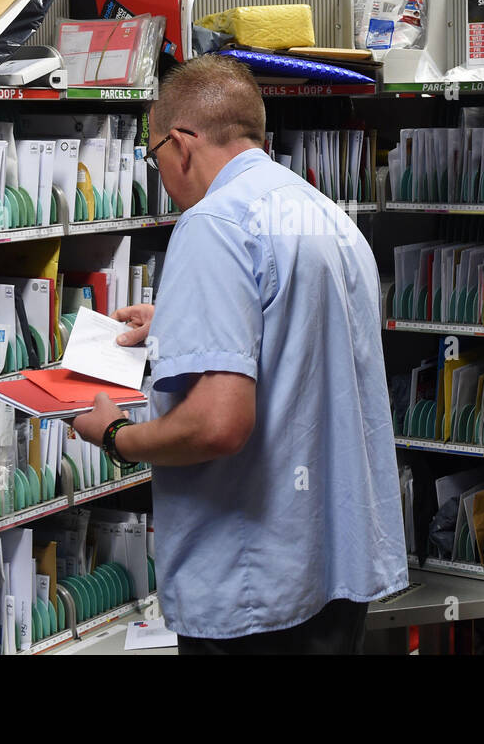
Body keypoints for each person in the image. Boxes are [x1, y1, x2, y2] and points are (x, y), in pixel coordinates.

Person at [71, 54, 408, 654]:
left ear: (180, 144)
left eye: (155, 158)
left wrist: (115, 435)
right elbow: (297, 339)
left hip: (253, 589)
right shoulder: (324, 214)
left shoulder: (213, 224)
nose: (163, 176)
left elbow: (219, 425)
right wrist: (179, 325)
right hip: (334, 575)